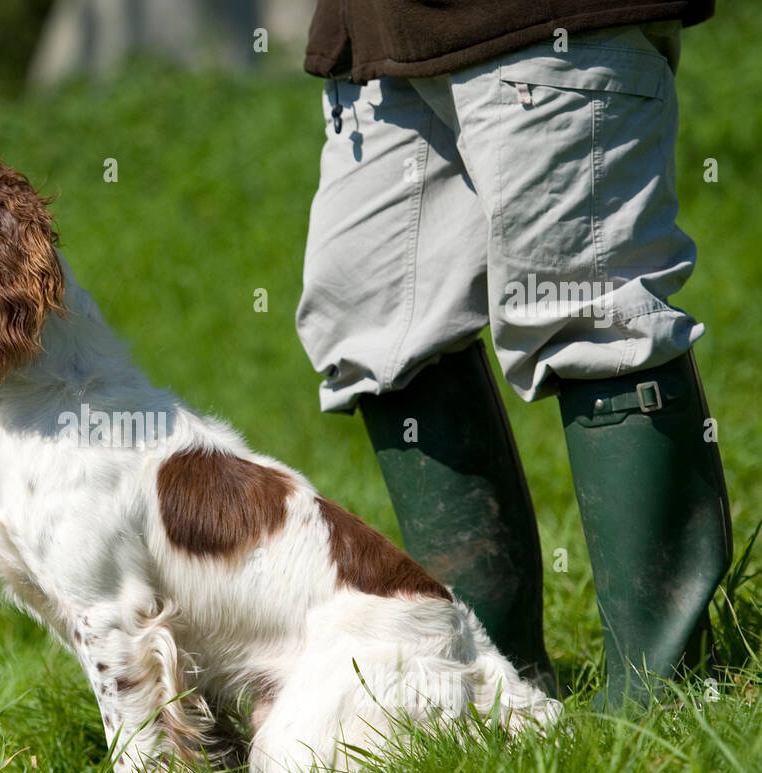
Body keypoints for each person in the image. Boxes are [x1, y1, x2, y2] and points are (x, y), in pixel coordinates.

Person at [295, 1, 731, 708]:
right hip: (379, 37)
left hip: (535, 19)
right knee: (374, 325)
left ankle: (663, 693)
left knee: (589, 309)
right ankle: (502, 689)